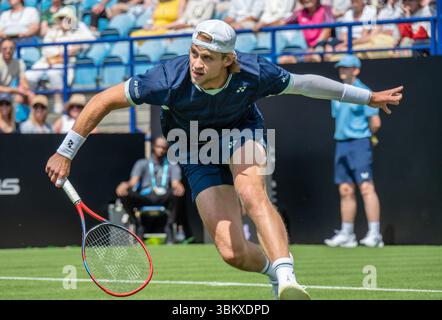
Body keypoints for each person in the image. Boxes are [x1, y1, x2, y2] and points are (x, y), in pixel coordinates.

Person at [45, 19, 403, 300]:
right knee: (231, 252)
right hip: (193, 145)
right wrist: (66, 151)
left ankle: (288, 275)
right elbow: (101, 101)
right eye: (194, 53)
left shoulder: (253, 73)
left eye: (207, 57)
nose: (197, 64)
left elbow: (306, 83)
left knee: (251, 192)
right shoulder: (166, 79)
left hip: (241, 131)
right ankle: (272, 274)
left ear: (228, 60)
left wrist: (366, 97)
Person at [324, 55, 383, 248]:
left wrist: (367, 137)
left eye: (346, 67)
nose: (342, 70)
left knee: (366, 187)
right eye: (340, 67)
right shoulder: (336, 93)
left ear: (356, 70)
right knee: (345, 189)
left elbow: (375, 122)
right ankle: (347, 234)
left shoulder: (364, 92)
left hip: (359, 143)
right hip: (341, 143)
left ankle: (375, 234)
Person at [25, 6, 96, 113]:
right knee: (28, 75)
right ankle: (33, 102)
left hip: (66, 62)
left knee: (54, 73)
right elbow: (46, 49)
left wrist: (79, 47)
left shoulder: (78, 27)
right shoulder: (53, 30)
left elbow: (90, 40)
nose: (64, 21)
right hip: (46, 61)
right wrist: (61, 53)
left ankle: (59, 102)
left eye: (66, 18)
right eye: (61, 18)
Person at [116, 136, 185, 241]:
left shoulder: (172, 165)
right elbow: (133, 182)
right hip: (145, 196)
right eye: (159, 147)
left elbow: (175, 183)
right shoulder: (142, 163)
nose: (161, 150)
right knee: (124, 193)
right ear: (153, 147)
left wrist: (179, 186)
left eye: (164, 148)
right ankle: (136, 223)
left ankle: (169, 225)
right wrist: (125, 185)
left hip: (163, 196)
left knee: (177, 193)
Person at [0, 38, 34, 121]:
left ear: (14, 49)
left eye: (11, 48)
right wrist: (16, 90)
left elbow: (23, 80)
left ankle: (32, 123)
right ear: (0, 49)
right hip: (6, 92)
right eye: (5, 48)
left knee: (30, 95)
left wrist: (26, 90)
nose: (8, 51)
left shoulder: (19, 63)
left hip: (7, 93)